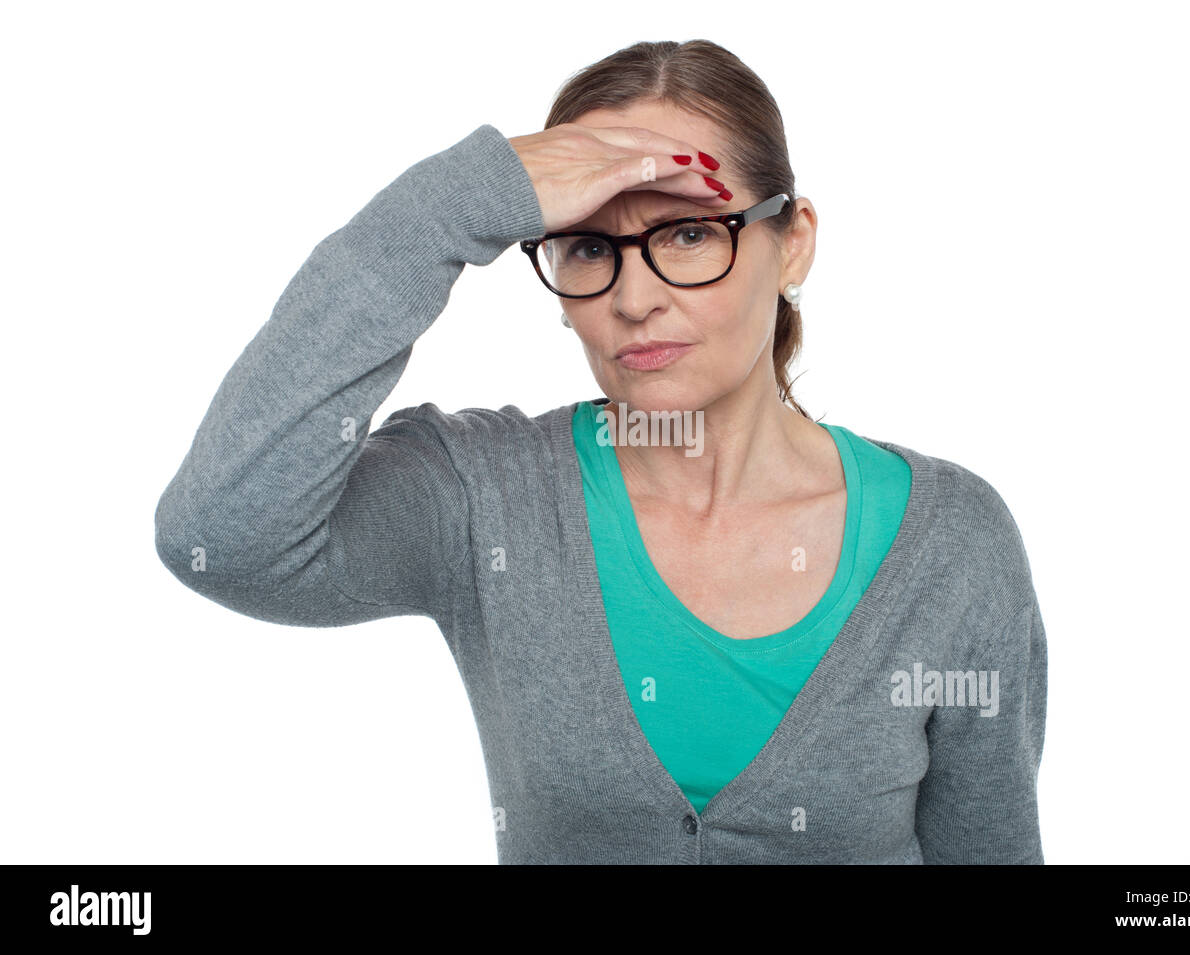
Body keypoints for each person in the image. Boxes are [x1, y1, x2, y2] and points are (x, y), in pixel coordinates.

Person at [155, 39, 1048, 864]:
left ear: (793, 244)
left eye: (688, 233)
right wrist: (448, 204)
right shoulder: (487, 495)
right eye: (589, 245)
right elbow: (224, 532)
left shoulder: (951, 541)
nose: (633, 296)